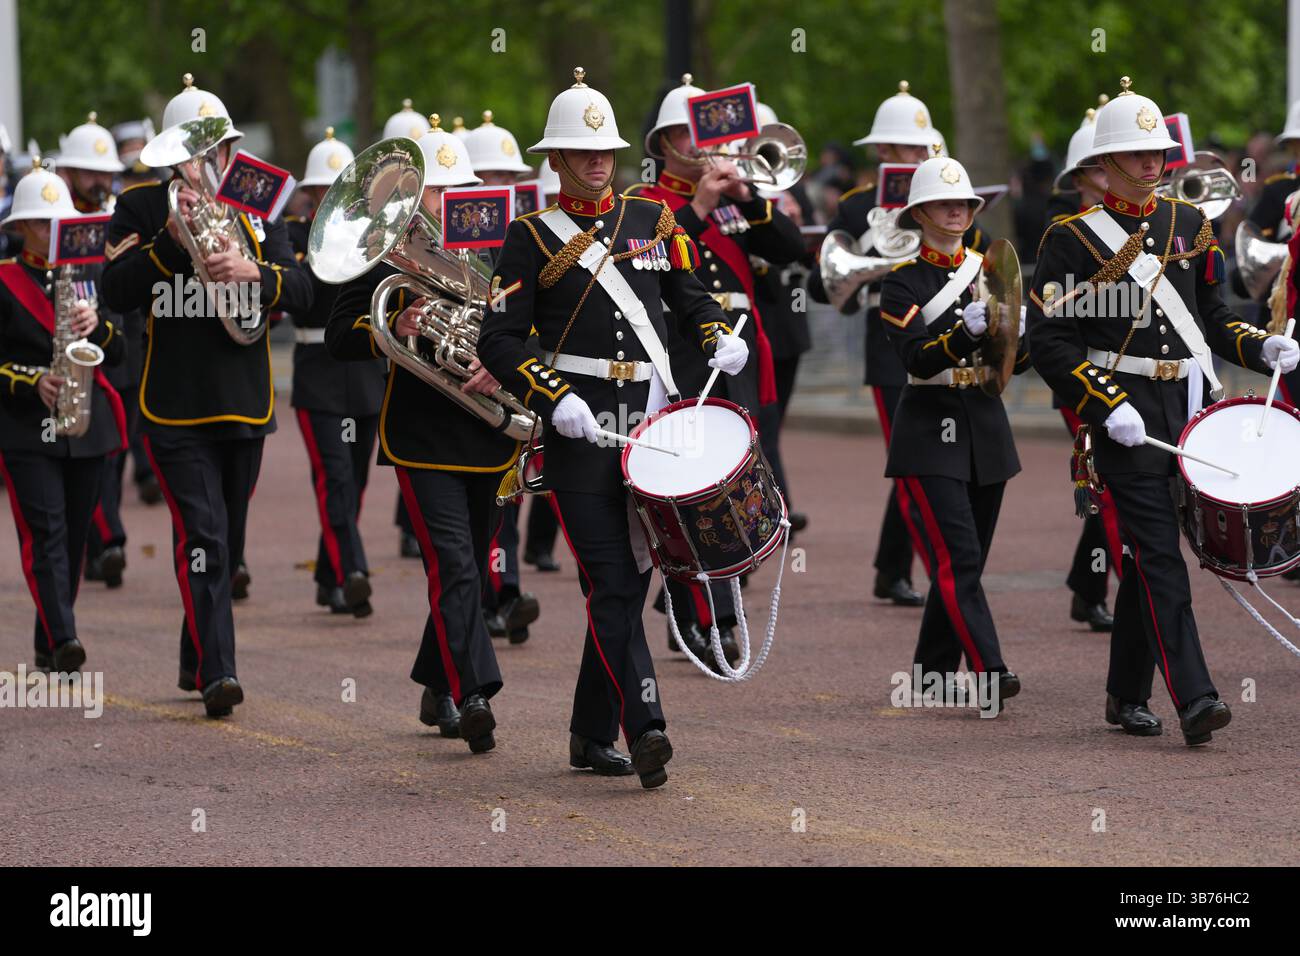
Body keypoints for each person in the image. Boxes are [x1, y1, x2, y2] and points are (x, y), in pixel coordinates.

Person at [477, 67, 749, 788]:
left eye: (606, 152)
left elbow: (689, 296)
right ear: (557, 159)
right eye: (582, 152)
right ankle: (648, 726)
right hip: (579, 433)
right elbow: (500, 341)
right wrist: (549, 394)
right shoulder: (529, 236)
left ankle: (589, 734)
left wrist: (720, 331)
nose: (598, 163)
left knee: (624, 583)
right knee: (615, 583)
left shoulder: (651, 220)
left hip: (654, 426)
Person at [1028, 77, 1300, 745]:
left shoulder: (1190, 224)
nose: (1152, 163)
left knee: (1152, 562)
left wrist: (1260, 345)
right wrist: (1104, 403)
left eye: (1158, 152)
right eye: (1137, 154)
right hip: (1124, 418)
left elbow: (1213, 318)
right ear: (1104, 165)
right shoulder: (1070, 239)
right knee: (1159, 559)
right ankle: (1197, 700)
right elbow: (1050, 342)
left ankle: (1125, 693)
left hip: (1188, 408)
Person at [102, 74, 311, 718]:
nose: (199, 164)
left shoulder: (255, 198)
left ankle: (196, 655)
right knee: (205, 536)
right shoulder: (141, 206)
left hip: (244, 400)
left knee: (226, 541)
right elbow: (116, 290)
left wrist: (255, 272)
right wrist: (170, 243)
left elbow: (304, 291)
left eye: (210, 148)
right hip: (173, 402)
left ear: (227, 148)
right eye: (187, 152)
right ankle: (220, 671)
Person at [326, 114, 508, 752]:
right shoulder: (382, 256)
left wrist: (502, 358)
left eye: (457, 191)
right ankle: (473, 692)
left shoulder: (495, 251)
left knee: (474, 569)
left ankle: (438, 683)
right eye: (436, 191)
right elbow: (338, 336)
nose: (446, 204)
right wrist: (395, 323)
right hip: (421, 432)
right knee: (454, 562)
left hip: (487, 431)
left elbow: (523, 329)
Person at [628, 74, 805, 668]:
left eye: (705, 133)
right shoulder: (649, 204)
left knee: (729, 482)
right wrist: (700, 205)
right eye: (686, 133)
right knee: (689, 490)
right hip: (682, 350)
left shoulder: (741, 194)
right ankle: (710, 617)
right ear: (665, 145)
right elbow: (651, 267)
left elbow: (790, 248)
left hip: (736, 349)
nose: (702, 145)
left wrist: (751, 198)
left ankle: (706, 609)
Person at [809, 82, 968, 610]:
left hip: (948, 340)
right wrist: (878, 259)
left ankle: (890, 569)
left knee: (924, 461)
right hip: (890, 347)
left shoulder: (944, 195)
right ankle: (937, 574)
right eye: (907, 149)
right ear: (882, 152)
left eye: (924, 149)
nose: (919, 157)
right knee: (916, 461)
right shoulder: (856, 208)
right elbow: (824, 283)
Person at [878, 156, 1028, 709]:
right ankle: (991, 666)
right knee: (958, 556)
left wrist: (1020, 332)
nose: (957, 211)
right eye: (945, 203)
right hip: (927, 429)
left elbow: (1018, 361)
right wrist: (963, 335)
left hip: (985, 427)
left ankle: (932, 670)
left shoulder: (989, 273)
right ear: (919, 213)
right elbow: (917, 359)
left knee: (966, 559)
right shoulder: (900, 284)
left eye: (964, 203)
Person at [0, 160, 126, 673]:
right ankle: (66, 636)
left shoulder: (91, 272)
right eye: (43, 222)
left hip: (86, 423)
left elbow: (118, 349)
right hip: (26, 426)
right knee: (45, 533)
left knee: (74, 537)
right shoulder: (4, 281)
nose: (54, 231)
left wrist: (97, 326)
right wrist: (32, 381)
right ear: (22, 227)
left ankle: (47, 637)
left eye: (61, 222)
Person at [287, 128, 383, 617]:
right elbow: (299, 290)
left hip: (364, 372)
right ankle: (353, 572)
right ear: (308, 195)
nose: (328, 197)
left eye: (338, 188)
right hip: (318, 372)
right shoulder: (293, 235)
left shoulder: (373, 237)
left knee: (358, 481)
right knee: (335, 480)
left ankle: (330, 576)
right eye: (321, 190)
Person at [463, 110, 542, 642]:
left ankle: (505, 590)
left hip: (508, 380)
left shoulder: (526, 238)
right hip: (461, 382)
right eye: (488, 178)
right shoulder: (456, 238)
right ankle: (489, 594)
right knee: (479, 504)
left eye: (508, 180)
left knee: (508, 494)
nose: (499, 188)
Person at [1044, 103, 1123, 632]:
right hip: (1087, 381)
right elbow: (1057, 320)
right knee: (1113, 490)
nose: (1108, 175)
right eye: (1098, 167)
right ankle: (1135, 588)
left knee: (1118, 485)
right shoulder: (1068, 234)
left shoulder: (1152, 224)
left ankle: (1087, 583)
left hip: (1145, 380)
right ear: (1079, 178)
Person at [53, 112, 138, 591]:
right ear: (67, 173)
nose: (100, 180)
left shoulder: (118, 218)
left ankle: (99, 541)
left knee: (112, 456)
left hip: (117, 352)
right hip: (63, 364)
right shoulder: (48, 217)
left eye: (105, 173)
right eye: (90, 172)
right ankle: (107, 542)